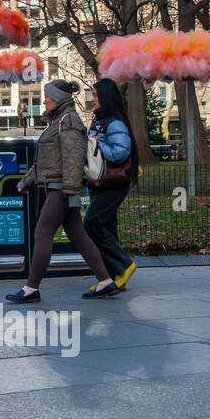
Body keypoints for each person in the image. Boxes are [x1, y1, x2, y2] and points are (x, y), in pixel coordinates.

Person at [8, 80, 117, 303]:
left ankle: (31, 288)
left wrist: (70, 191)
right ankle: (105, 281)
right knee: (78, 235)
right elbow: (45, 162)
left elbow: (73, 160)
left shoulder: (68, 122)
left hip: (61, 189)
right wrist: (26, 182)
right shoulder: (58, 122)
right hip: (59, 186)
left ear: (57, 99)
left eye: (46, 97)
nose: (44, 101)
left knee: (42, 233)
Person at [85, 78, 139, 291]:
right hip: (101, 181)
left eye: (96, 95)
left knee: (92, 223)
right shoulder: (99, 120)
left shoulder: (114, 122)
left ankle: (125, 265)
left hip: (114, 181)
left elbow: (120, 152)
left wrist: (95, 146)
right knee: (107, 225)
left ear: (106, 97)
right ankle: (114, 278)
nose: (93, 99)